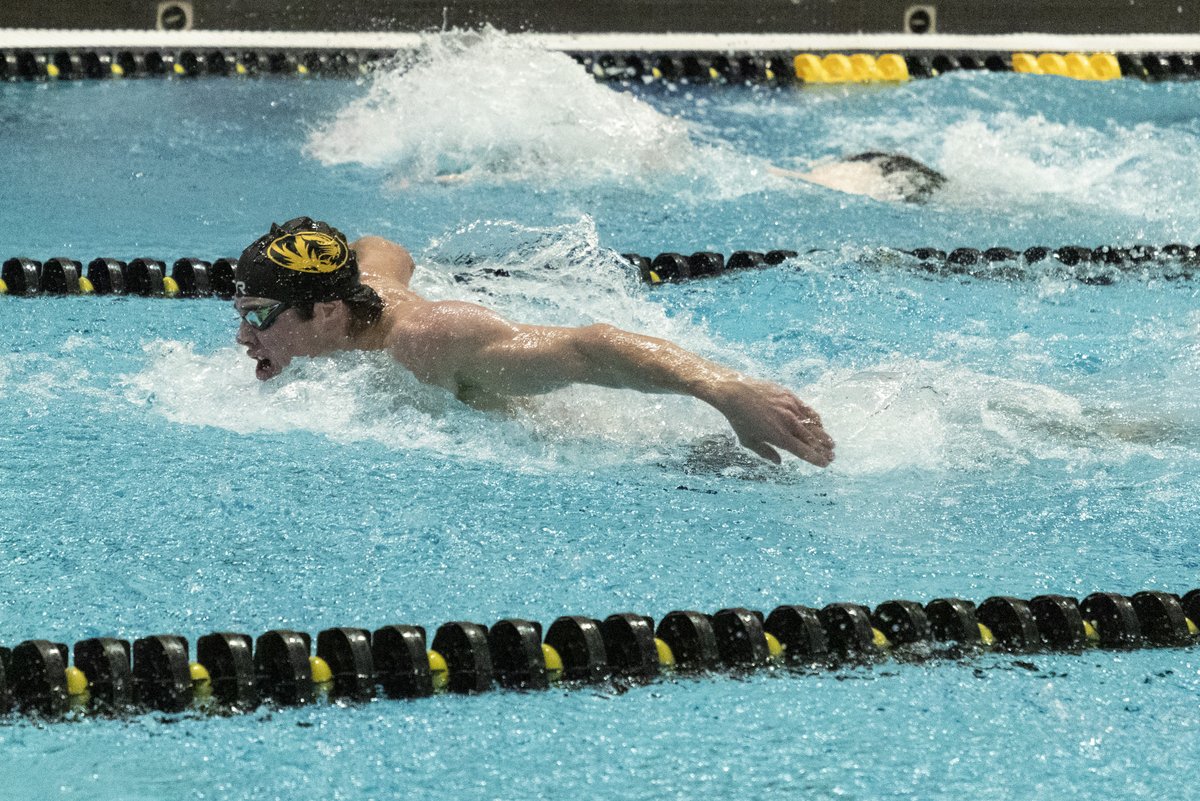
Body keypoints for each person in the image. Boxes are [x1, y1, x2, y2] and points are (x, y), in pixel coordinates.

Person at [234, 217, 835, 467]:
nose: (243, 337)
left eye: (260, 316)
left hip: (618, 447)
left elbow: (588, 347)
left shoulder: (430, 340)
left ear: (331, 310)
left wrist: (725, 391)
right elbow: (381, 249)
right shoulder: (359, 289)